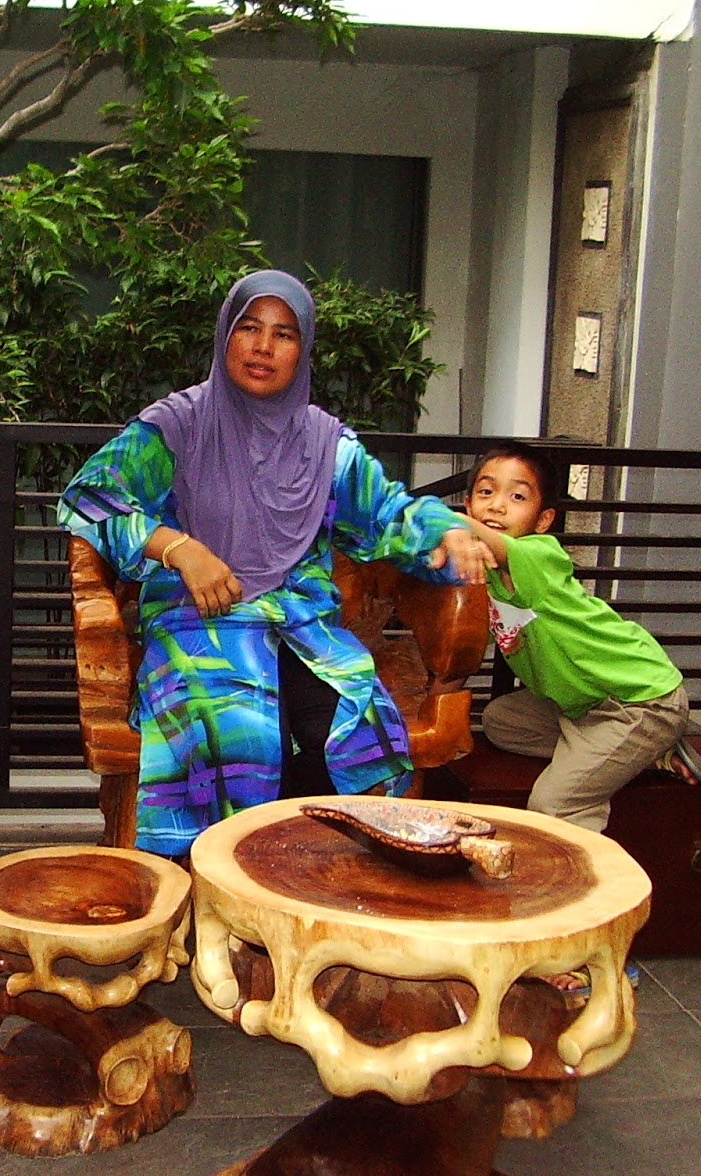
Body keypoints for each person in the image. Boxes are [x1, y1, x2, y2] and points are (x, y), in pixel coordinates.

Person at [58, 269, 491, 859]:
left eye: (284, 334)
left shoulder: (322, 442)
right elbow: (88, 498)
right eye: (249, 327)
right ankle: (218, 884)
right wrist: (178, 548)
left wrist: (443, 532)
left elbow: (385, 512)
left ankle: (304, 881)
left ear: (302, 349)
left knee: (346, 726)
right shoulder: (176, 426)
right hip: (199, 621)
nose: (263, 346)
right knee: (240, 732)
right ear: (225, 337)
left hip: (301, 623)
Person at [463, 440, 701, 835]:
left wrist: (430, 516)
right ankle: (640, 754)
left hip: (639, 701)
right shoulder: (484, 568)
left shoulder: (536, 554)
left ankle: (581, 884)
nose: (496, 506)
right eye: (486, 492)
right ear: (469, 504)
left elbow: (488, 541)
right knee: (500, 722)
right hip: (585, 703)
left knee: (553, 804)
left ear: (543, 520)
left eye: (517, 496)